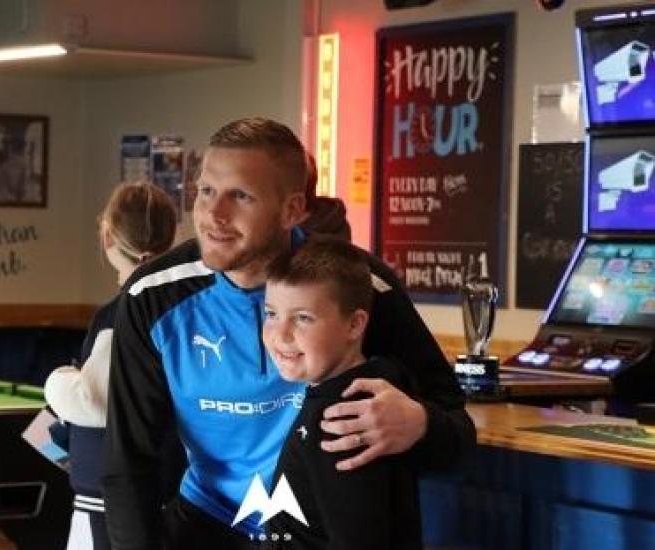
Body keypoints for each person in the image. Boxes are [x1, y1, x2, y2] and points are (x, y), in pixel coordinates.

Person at [103, 117, 475, 549]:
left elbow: (456, 432)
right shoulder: (151, 295)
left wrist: (419, 424)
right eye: (206, 191)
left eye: (240, 196)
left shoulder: (362, 286)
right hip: (207, 525)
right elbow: (128, 464)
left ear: (292, 210)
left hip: (317, 531)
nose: (213, 214)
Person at [45, 181, 181, 550]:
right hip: (161, 481)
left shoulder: (121, 311)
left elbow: (92, 399)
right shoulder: (181, 307)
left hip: (108, 492)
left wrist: (57, 382)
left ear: (107, 236)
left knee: (42, 432)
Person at [262, 237, 421, 549]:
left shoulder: (345, 420)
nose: (280, 335)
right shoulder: (369, 386)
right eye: (271, 313)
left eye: (303, 318)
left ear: (354, 325)